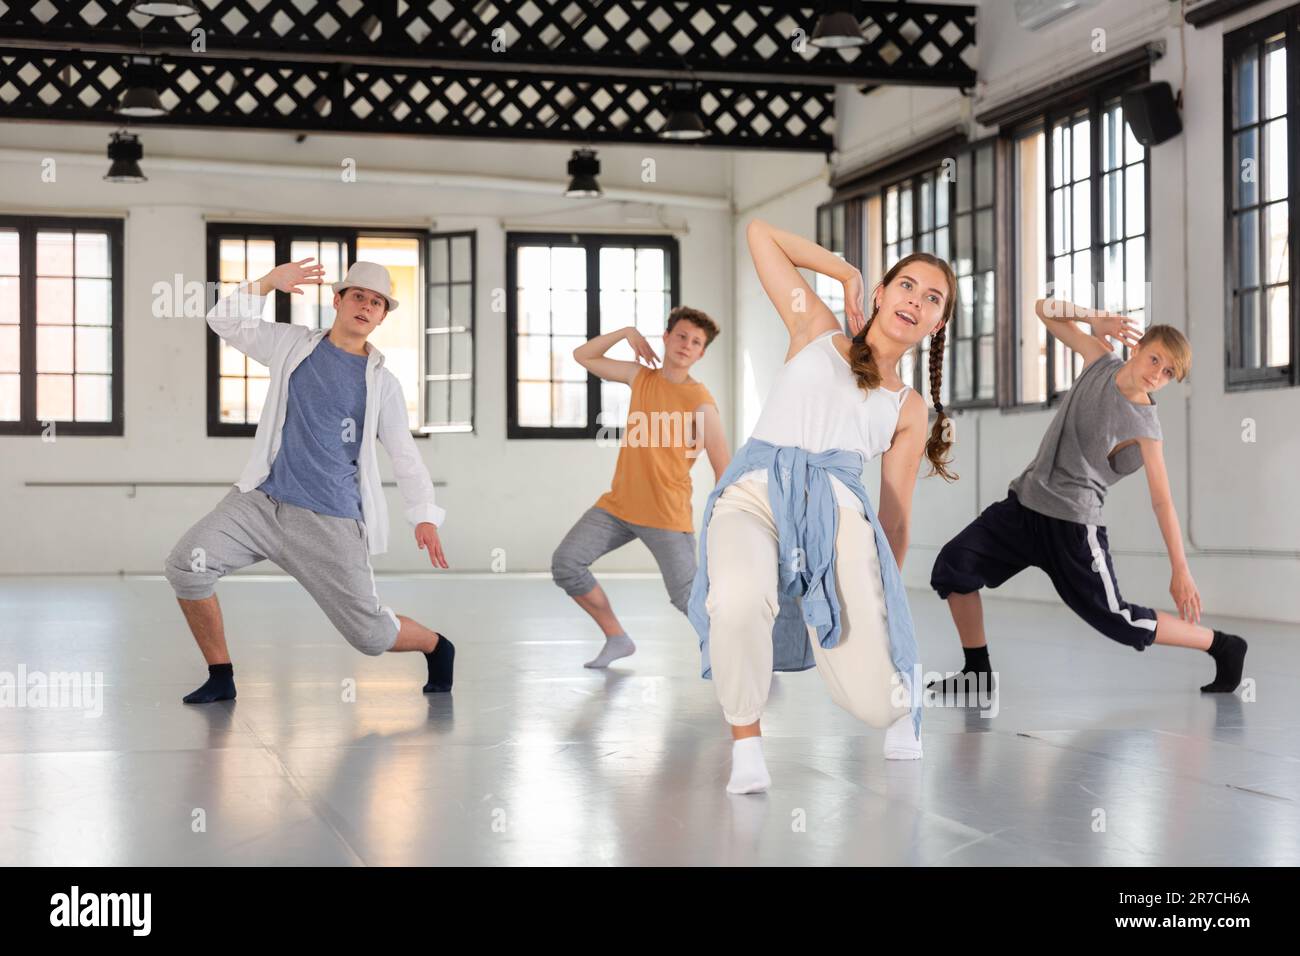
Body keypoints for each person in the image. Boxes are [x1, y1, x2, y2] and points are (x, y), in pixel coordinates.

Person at [688, 218, 959, 794]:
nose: (916, 300)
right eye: (906, 285)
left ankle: (897, 706)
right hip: (753, 493)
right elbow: (761, 232)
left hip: (836, 514)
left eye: (933, 298)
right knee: (736, 599)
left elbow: (895, 515)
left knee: (867, 694)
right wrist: (846, 272)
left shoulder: (909, 409)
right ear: (882, 295)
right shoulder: (813, 325)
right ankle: (747, 749)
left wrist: (882, 590)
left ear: (938, 322)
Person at [164, 258, 454, 703]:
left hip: (329, 520)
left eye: (377, 302)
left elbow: (405, 456)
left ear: (382, 316)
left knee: (371, 636)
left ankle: (437, 646)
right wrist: (264, 284)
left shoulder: (383, 384)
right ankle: (221, 675)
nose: (366, 306)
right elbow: (222, 320)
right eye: (357, 295)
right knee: (187, 564)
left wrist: (424, 515)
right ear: (337, 300)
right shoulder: (291, 343)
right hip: (261, 503)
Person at [928, 299, 1248, 698]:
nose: (1157, 375)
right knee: (954, 566)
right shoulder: (1099, 359)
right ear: (1137, 347)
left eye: (1168, 373)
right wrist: (1092, 318)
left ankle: (1223, 646)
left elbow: (1162, 501)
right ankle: (977, 675)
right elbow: (1042, 309)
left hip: (1073, 527)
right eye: (1154, 360)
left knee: (1118, 620)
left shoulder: (1146, 426)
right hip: (1023, 506)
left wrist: (1180, 569)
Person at [551, 308, 730, 668]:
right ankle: (617, 638)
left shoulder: (701, 402)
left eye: (696, 342)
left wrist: (727, 521)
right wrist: (626, 331)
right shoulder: (641, 378)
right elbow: (582, 356)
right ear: (665, 338)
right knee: (566, 564)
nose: (686, 345)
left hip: (666, 513)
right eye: (681, 336)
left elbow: (723, 465)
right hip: (618, 507)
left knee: (686, 596)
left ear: (701, 353)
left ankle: (738, 654)